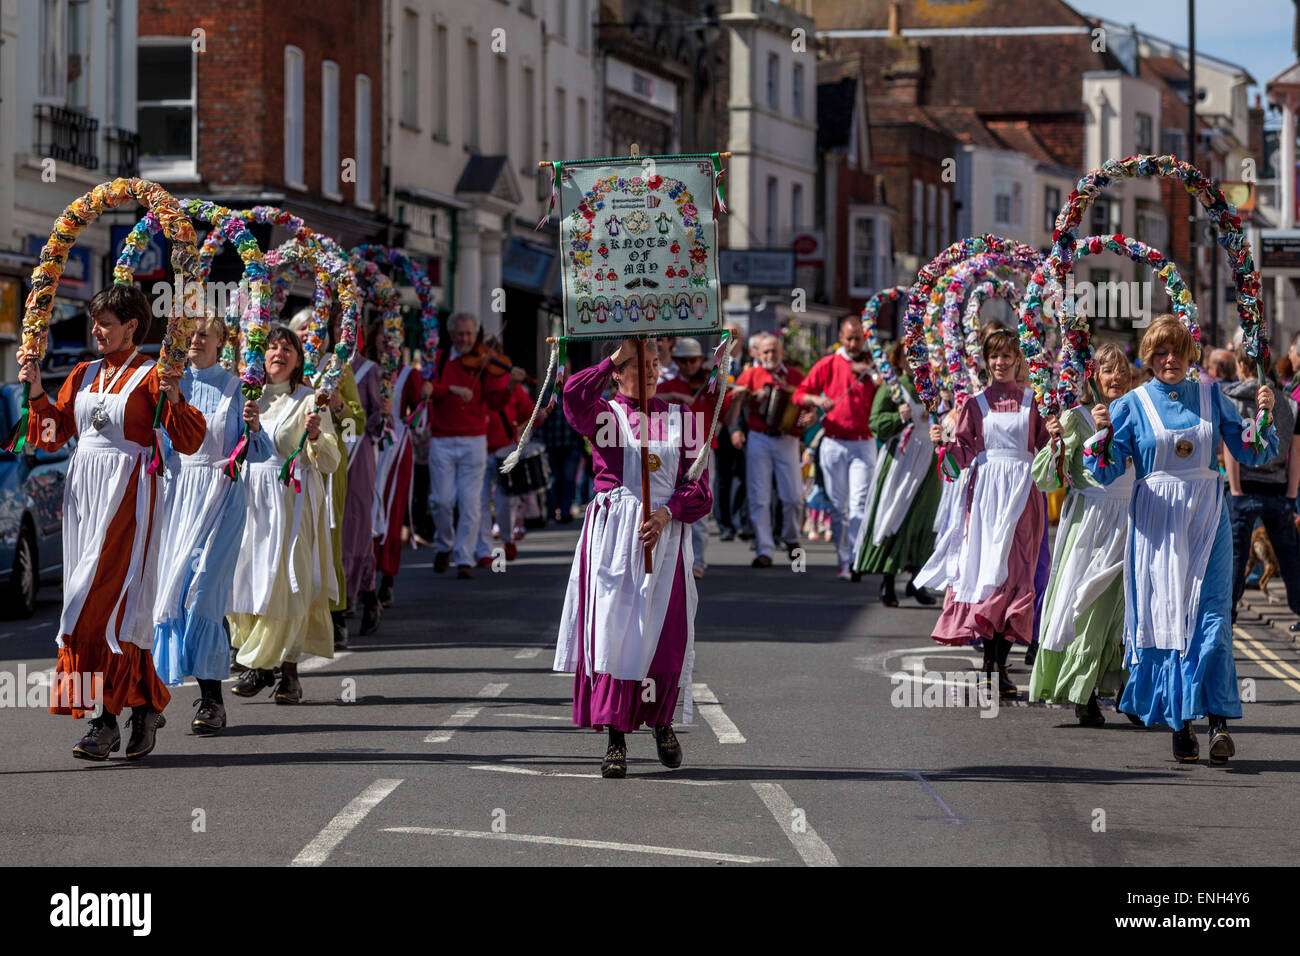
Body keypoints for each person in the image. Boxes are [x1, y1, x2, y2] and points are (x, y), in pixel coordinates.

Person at [19, 284, 207, 760]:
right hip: (84, 495)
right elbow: (50, 434)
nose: (97, 330)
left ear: (132, 327)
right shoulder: (81, 374)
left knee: (94, 604)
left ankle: (105, 721)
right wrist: (36, 388)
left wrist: (175, 395)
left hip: (129, 494)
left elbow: (188, 440)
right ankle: (142, 708)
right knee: (104, 608)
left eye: (106, 323)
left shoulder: (151, 375)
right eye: (95, 321)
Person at [1088, 316, 1276, 765]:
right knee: (1169, 622)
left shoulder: (1214, 397)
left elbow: (1255, 450)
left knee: (1212, 622)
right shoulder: (1130, 405)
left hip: (1207, 521)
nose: (1170, 359)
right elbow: (1105, 471)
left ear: (1191, 355)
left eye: (1177, 351)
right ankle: (1180, 723)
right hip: (1156, 526)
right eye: (1160, 353)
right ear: (1149, 359)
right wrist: (1101, 434)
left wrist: (1268, 412)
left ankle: (1217, 724)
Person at [554, 338, 711, 778]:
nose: (650, 372)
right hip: (614, 538)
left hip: (665, 534)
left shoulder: (683, 418)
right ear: (618, 373)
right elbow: (572, 396)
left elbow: (700, 490)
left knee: (664, 635)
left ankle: (661, 721)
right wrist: (611, 356)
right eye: (637, 366)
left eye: (654, 364)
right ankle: (615, 740)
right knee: (614, 637)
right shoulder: (605, 414)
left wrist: (667, 514)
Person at [928, 329, 1050, 698]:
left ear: (1018, 359)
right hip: (985, 497)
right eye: (993, 356)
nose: (1000, 362)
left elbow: (1047, 451)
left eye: (1007, 355)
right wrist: (944, 446)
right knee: (988, 574)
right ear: (986, 360)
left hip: (1023, 496)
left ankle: (1000, 661)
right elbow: (962, 453)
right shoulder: (975, 403)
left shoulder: (1034, 402)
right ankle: (990, 665)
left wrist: (1058, 437)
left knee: (1016, 575)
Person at [228, 325, 341, 703]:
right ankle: (286, 676)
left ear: (297, 359)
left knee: (284, 581)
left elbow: (330, 460)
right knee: (249, 580)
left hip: (290, 503)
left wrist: (314, 437)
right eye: (272, 347)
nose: (279, 352)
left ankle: (263, 667)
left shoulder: (311, 401)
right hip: (250, 500)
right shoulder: (249, 395)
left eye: (287, 348)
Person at [151, 314, 247, 735]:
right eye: (189, 334)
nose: (195, 340)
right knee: (170, 589)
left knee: (204, 591)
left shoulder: (239, 386)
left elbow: (255, 449)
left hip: (221, 494)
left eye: (204, 334)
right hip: (178, 494)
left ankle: (212, 701)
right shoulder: (170, 381)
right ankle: (148, 702)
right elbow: (155, 443)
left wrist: (255, 432)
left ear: (221, 342)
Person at [1029, 343, 1134, 725]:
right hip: (1090, 523)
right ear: (1094, 377)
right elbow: (1047, 478)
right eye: (1108, 371)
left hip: (1131, 521)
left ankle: (1129, 690)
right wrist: (1055, 439)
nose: (1116, 378)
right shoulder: (1076, 418)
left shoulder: (1137, 414)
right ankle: (1083, 691)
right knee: (1089, 606)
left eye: (1122, 371)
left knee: (1126, 610)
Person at [424, 313, 524, 579]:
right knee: (441, 500)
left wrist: (512, 385)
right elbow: (427, 388)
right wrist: (452, 390)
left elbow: (494, 401)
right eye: (459, 334)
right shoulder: (440, 358)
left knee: (470, 502)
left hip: (474, 438)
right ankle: (445, 544)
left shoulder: (485, 362)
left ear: (475, 334)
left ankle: (464, 558)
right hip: (442, 438)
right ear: (451, 334)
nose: (465, 339)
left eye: (469, 334)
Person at [289, 309, 363, 649]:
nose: (308, 333)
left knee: (329, 538)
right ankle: (292, 614)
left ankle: (335, 614)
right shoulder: (282, 366)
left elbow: (359, 422)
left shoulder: (337, 368)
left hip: (327, 463)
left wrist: (339, 406)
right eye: (300, 329)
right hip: (289, 464)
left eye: (312, 327)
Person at [854, 339, 939, 604]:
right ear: (900, 360)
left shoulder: (934, 387)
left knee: (924, 520)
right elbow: (875, 424)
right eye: (909, 355)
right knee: (895, 516)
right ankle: (888, 582)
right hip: (900, 462)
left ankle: (917, 580)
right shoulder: (892, 388)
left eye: (919, 354)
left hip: (928, 460)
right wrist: (898, 417)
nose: (915, 360)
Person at [793, 316, 878, 580]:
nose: (853, 344)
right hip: (833, 442)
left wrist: (874, 377)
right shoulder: (828, 364)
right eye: (849, 338)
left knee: (859, 504)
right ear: (840, 337)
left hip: (863, 443)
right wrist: (818, 400)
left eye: (858, 339)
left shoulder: (872, 367)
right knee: (839, 507)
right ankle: (843, 560)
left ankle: (855, 559)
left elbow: (888, 392)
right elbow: (799, 394)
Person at [1222, 342, 1300, 623]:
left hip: (1243, 488)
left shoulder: (1232, 399)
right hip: (1279, 491)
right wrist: (1291, 494)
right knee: (1291, 560)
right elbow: (1295, 452)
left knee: (1236, 560)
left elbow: (1231, 448)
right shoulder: (1289, 403)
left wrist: (1235, 488)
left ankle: (1226, 615)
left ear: (1242, 367)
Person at [726, 332, 807, 567]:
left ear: (781, 353)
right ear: (759, 354)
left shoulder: (794, 375)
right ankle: (765, 549)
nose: (770, 355)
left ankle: (791, 538)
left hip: (787, 439)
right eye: (766, 352)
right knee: (759, 495)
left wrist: (807, 419)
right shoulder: (750, 374)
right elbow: (734, 406)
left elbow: (805, 404)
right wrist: (745, 399)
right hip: (759, 437)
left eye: (774, 351)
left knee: (793, 497)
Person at [656, 337, 717, 579]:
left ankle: (698, 561)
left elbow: (728, 416)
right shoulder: (668, 385)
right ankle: (676, 558)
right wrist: (674, 396)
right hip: (675, 452)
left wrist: (725, 391)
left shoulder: (711, 385)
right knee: (673, 504)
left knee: (699, 504)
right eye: (684, 360)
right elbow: (649, 403)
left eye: (694, 360)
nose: (690, 365)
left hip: (703, 450)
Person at [342, 337, 388, 634]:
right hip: (327, 450)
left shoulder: (367, 369)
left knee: (356, 524)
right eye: (334, 326)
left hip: (358, 453)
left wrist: (381, 413)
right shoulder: (317, 364)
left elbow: (376, 417)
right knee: (331, 525)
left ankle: (360, 594)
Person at [373, 348, 425, 606]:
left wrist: (424, 400)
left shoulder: (407, 375)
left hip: (395, 448)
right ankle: (359, 577)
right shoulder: (365, 368)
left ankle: (387, 577)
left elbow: (417, 422)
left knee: (391, 510)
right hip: (365, 445)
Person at [477, 337, 532, 565]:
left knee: (504, 502)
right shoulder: (477, 381)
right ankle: (484, 550)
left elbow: (528, 412)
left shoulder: (512, 383)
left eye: (494, 352)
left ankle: (508, 538)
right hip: (480, 447)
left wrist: (520, 425)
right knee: (479, 502)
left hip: (503, 449)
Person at [712, 324, 748, 540]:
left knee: (744, 477)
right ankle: (724, 524)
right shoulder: (716, 365)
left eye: (734, 336)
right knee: (723, 477)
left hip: (746, 427)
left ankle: (741, 521)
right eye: (725, 336)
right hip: (722, 428)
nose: (730, 340)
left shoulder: (750, 364)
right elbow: (712, 392)